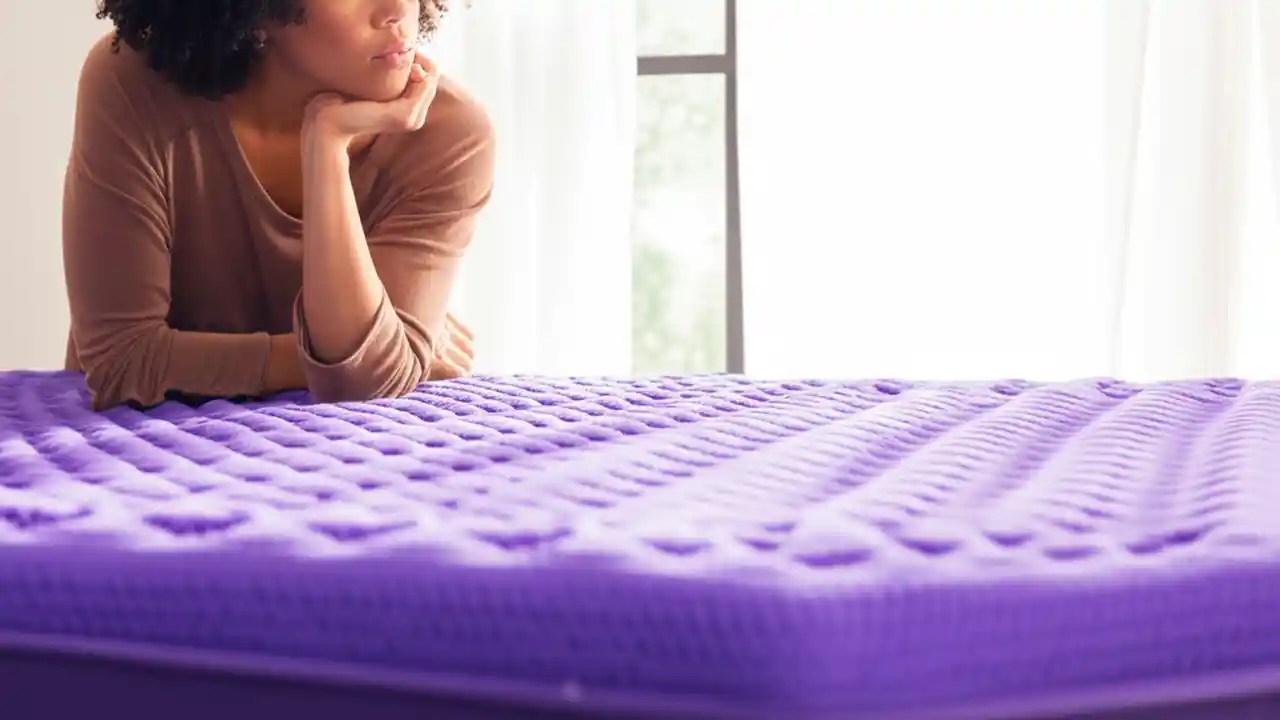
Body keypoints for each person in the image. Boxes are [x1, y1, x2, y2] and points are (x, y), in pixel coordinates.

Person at [63, 0, 494, 411]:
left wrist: (326, 143)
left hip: (338, 460)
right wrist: (384, 354)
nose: (396, 10)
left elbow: (367, 383)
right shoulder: (133, 85)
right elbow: (122, 362)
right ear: (257, 11)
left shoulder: (448, 137)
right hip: (132, 446)